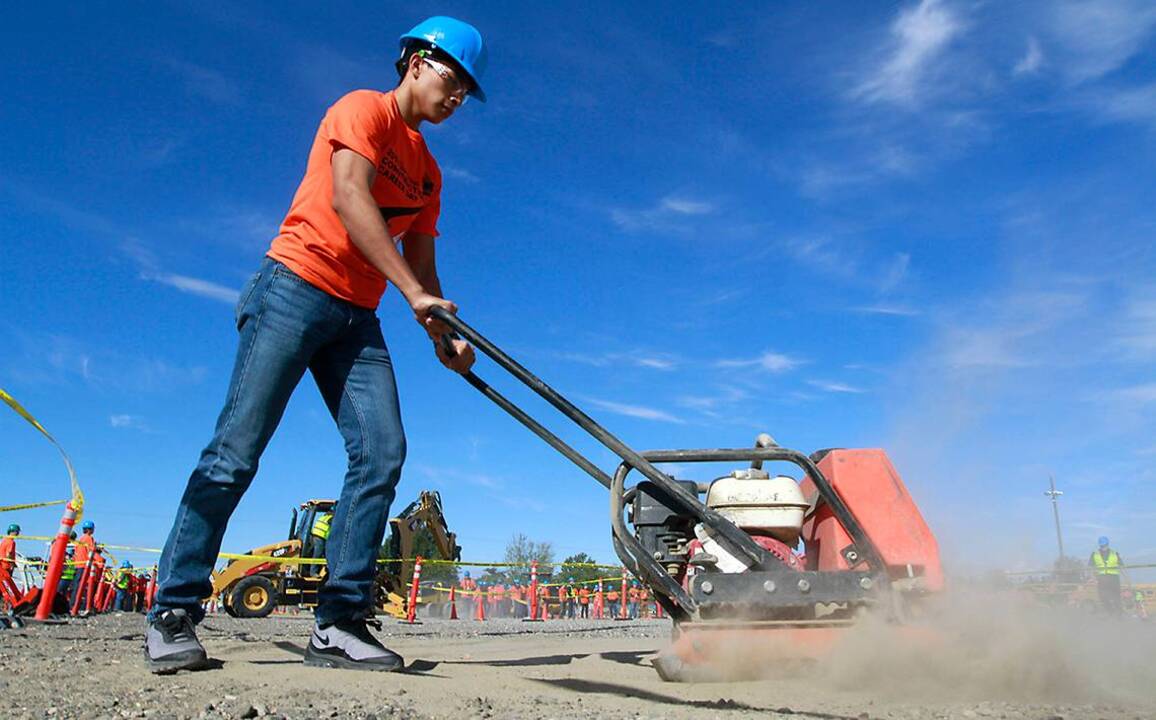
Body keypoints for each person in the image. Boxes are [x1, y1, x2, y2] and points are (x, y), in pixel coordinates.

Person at [143, 15, 487, 674]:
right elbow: (350, 196)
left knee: (382, 452)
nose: (458, 98)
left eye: (467, 91)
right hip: (294, 289)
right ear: (417, 61)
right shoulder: (362, 110)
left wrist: (443, 332)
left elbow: (423, 269)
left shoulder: (429, 175)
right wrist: (411, 296)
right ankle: (174, 610)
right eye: (455, 79)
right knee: (236, 451)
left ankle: (338, 623)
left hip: (357, 318)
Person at [1089, 536, 1124, 616]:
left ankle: (1119, 613)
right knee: (1103, 597)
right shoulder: (1095, 554)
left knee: (1116, 596)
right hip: (1101, 578)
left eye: (1105, 545)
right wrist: (1093, 578)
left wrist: (1127, 578)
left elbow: (1121, 566)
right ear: (1100, 545)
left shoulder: (1115, 553)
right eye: (1102, 545)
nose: (1103, 547)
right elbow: (1091, 567)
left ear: (1108, 544)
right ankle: (1110, 612)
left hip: (1113, 578)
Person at [0, 524, 20, 608]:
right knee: (8, 589)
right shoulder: (11, 542)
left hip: (1, 566)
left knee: (2, 588)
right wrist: (12, 565)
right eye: (17, 531)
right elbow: (9, 554)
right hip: (6, 567)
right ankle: (9, 606)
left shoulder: (4, 540)